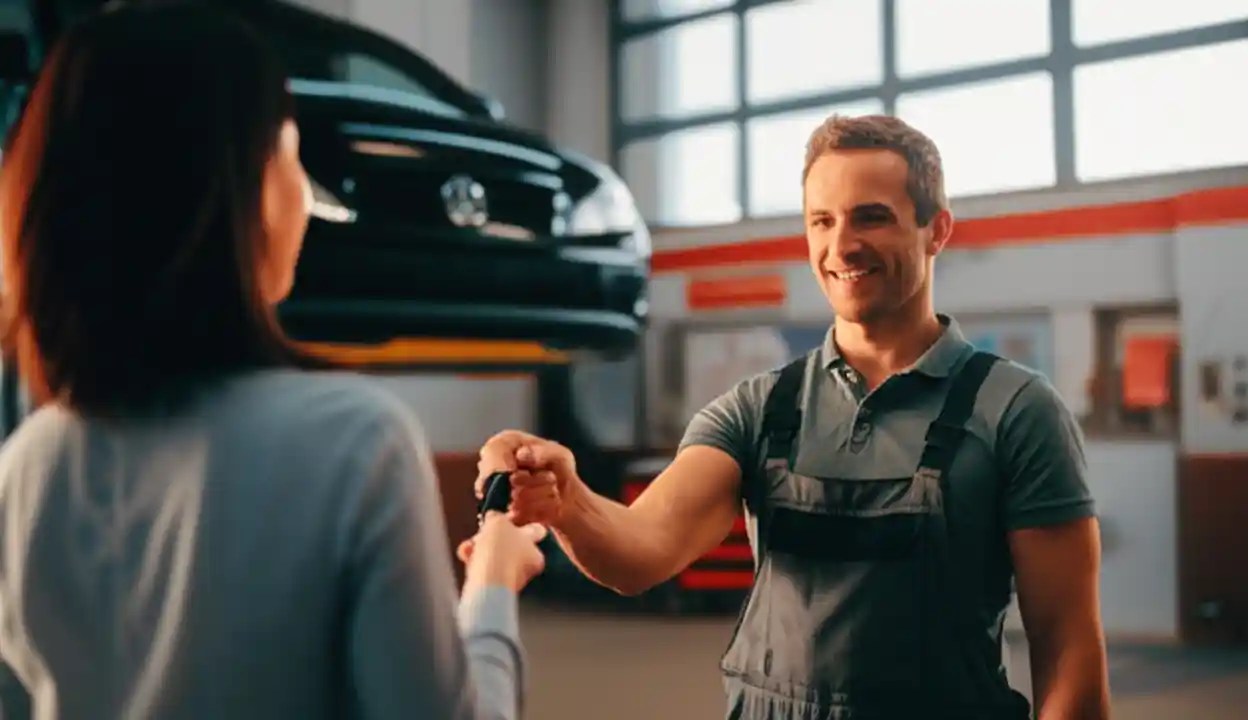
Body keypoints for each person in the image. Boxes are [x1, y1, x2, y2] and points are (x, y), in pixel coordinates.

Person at [0, 3, 543, 718]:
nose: (306, 201)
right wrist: (494, 586)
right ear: (235, 192)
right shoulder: (353, 441)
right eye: (291, 158)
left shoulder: (28, 465)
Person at [475, 114, 1112, 719]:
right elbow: (642, 551)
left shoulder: (1017, 412)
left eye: (872, 218)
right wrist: (566, 499)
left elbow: (1070, 648)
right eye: (822, 221)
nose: (841, 246)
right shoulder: (761, 408)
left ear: (937, 230)